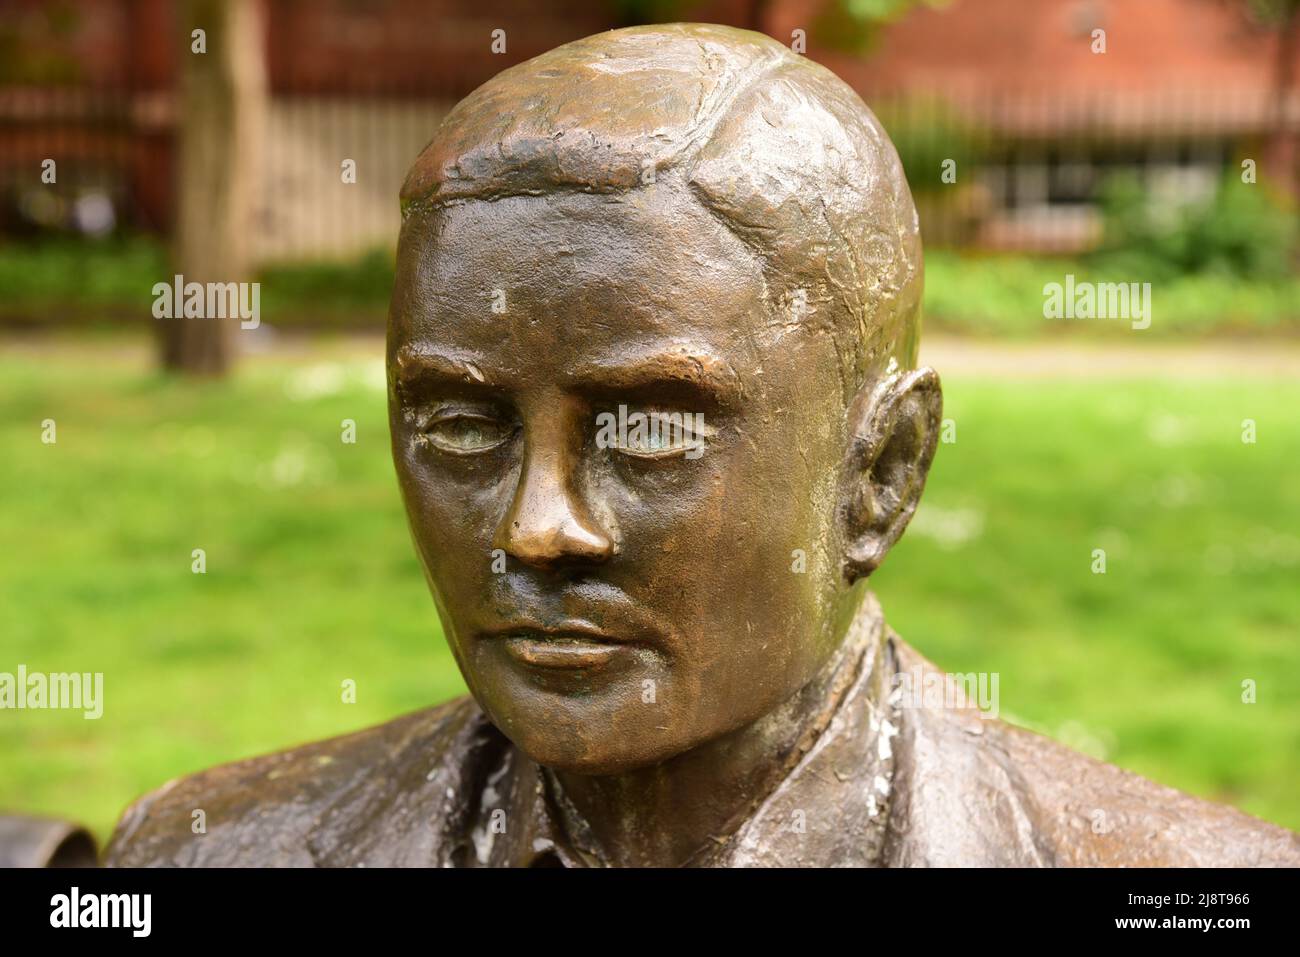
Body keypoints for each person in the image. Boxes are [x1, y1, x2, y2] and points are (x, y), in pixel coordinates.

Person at [106, 23, 1299, 868]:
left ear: (881, 475)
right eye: (462, 427)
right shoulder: (195, 855)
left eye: (648, 430)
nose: (537, 529)